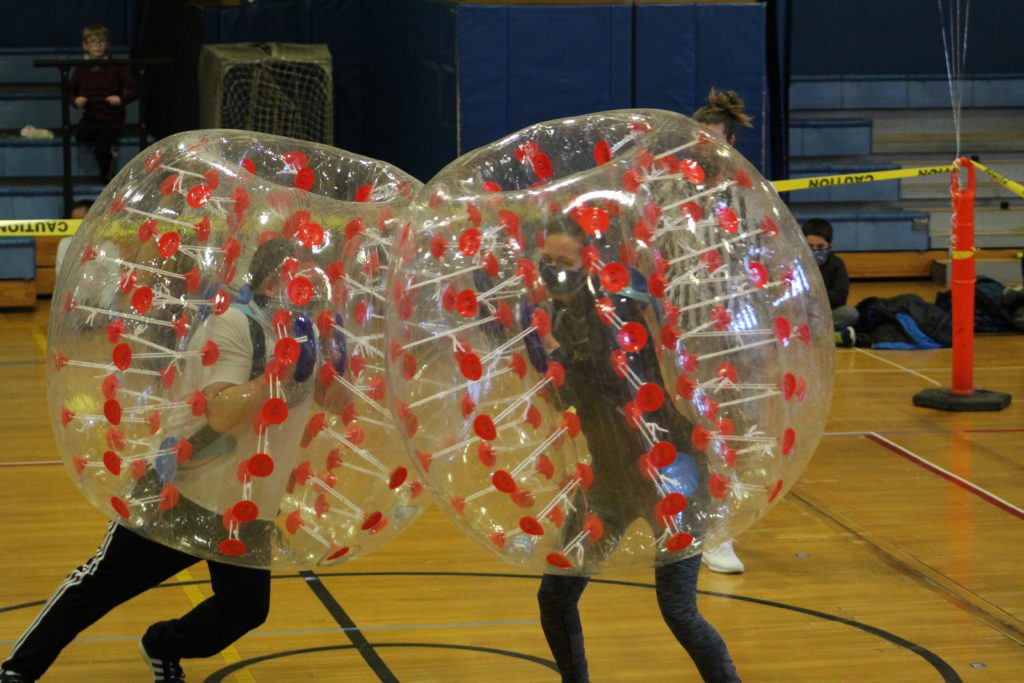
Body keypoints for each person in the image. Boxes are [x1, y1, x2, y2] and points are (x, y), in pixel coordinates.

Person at [0, 238, 319, 683]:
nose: (315, 289)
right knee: (101, 584)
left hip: (243, 505)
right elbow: (222, 412)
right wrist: (277, 374)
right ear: (271, 281)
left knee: (244, 610)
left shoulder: (303, 334)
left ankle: (162, 644)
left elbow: (326, 397)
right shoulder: (233, 322)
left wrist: (341, 366)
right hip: (184, 487)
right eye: (303, 279)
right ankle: (17, 671)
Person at [532, 217, 740, 683]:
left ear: (588, 263)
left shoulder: (617, 311)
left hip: (670, 472)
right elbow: (568, 400)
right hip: (610, 478)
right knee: (556, 595)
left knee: (679, 610)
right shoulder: (558, 316)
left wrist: (557, 355)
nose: (553, 272)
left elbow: (623, 386)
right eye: (547, 262)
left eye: (564, 263)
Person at [691, 88, 752, 575]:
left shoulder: (746, 192)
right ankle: (683, 521)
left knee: (726, 430)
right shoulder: (666, 188)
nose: (704, 151)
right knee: (682, 428)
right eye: (698, 142)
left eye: (713, 142)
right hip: (679, 328)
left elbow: (758, 263)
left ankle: (719, 529)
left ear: (730, 141)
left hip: (729, 329)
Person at [70, 23, 137, 182]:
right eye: (93, 41)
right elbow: (70, 91)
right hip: (92, 114)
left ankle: (106, 176)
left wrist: (121, 99)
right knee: (81, 135)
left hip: (111, 116)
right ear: (85, 46)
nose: (98, 45)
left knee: (102, 146)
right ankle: (106, 144)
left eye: (101, 41)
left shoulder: (117, 67)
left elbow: (135, 88)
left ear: (107, 44)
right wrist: (76, 100)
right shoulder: (80, 69)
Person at [801, 218, 859, 345]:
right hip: (800, 314)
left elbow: (840, 297)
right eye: (810, 247)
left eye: (820, 247)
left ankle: (810, 334)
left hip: (825, 314)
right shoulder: (797, 264)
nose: (815, 251)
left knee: (850, 313)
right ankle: (828, 335)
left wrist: (814, 295)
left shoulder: (837, 265)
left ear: (830, 246)